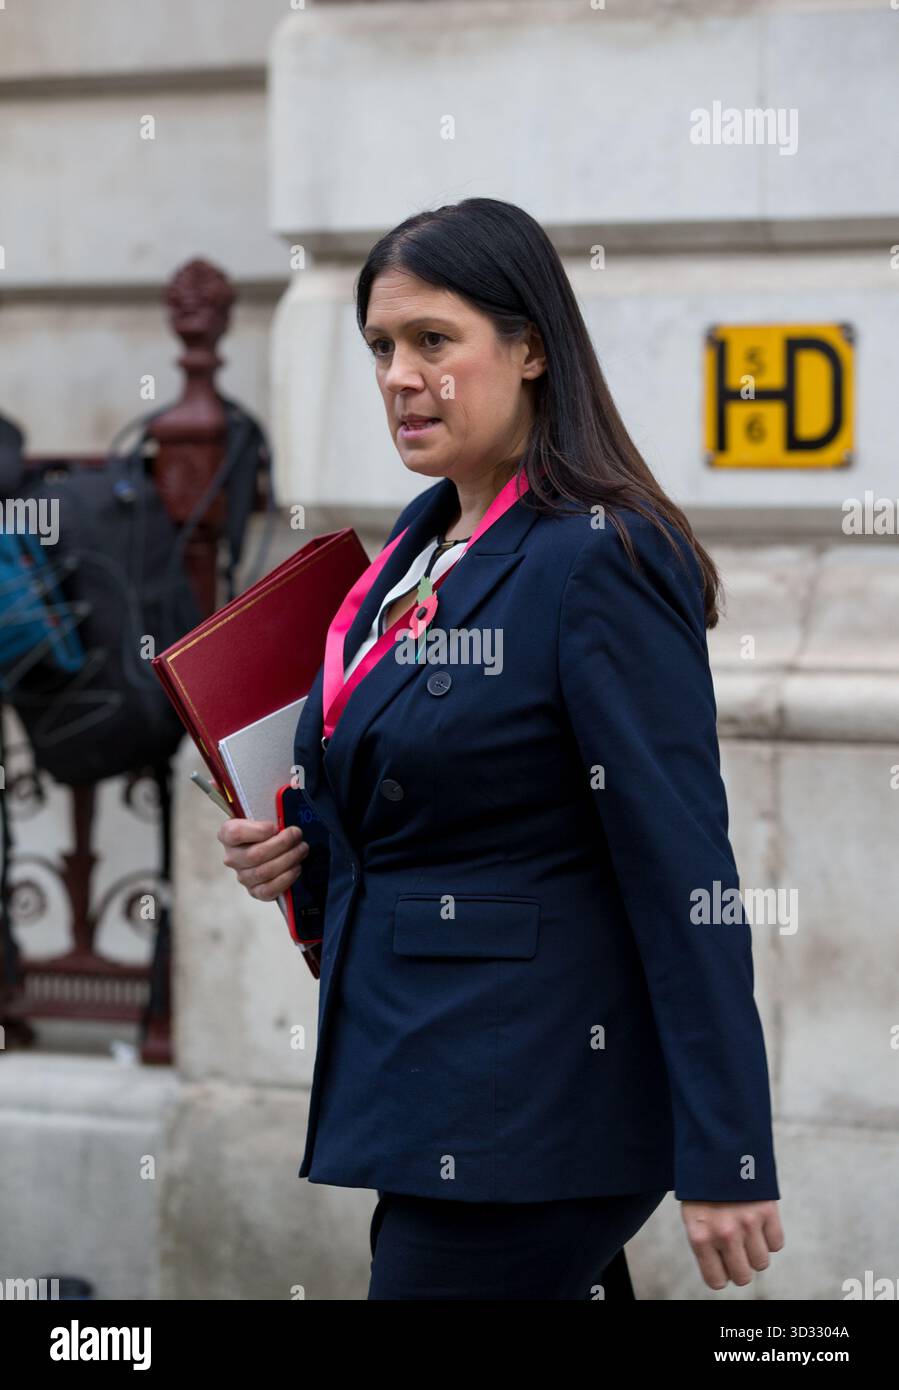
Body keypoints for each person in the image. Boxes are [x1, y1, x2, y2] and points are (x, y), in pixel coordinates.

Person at [218, 197, 785, 1300]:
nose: (397, 373)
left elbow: (683, 869)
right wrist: (296, 849)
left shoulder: (598, 558)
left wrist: (728, 1146)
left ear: (529, 348)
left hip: (530, 1111)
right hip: (423, 1080)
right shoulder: (408, 557)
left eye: (434, 340)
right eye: (380, 346)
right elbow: (423, 812)